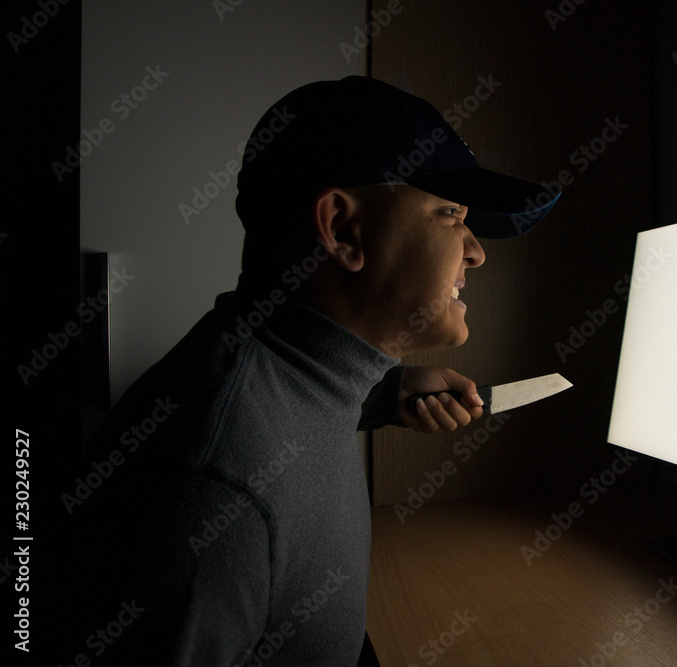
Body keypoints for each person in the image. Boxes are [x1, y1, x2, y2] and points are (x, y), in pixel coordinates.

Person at [62, 76, 558, 666]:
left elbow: (290, 404)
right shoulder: (218, 499)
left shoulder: (281, 367)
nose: (476, 251)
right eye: (450, 213)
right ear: (343, 230)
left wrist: (386, 394)